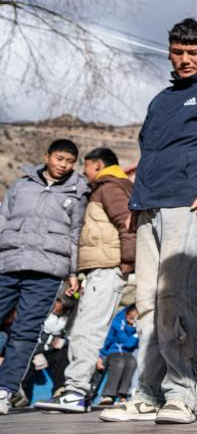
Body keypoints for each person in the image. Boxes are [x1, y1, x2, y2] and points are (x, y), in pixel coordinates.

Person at [99, 18, 197, 425]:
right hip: (150, 208)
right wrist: (137, 204)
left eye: (193, 52)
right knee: (147, 303)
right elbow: (148, 155)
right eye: (178, 52)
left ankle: (182, 394)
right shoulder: (162, 100)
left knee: (174, 299)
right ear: (169, 53)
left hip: (190, 206)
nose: (185, 59)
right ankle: (147, 395)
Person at [36, 147, 136, 413]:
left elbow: (127, 223)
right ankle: (76, 390)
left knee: (87, 331)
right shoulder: (107, 187)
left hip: (108, 267)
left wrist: (127, 260)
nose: (84, 172)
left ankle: (76, 391)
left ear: (98, 165)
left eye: (87, 166)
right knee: (83, 328)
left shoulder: (110, 187)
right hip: (99, 269)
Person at [0, 138, 88, 415]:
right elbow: (3, 218)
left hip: (48, 271)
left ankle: (4, 390)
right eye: (59, 159)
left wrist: (73, 272)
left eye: (70, 161)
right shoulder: (21, 185)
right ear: (47, 157)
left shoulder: (78, 192)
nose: (63, 165)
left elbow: (75, 234)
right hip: (9, 263)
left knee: (25, 332)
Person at [20, 295, 77, 404]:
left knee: (64, 354)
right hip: (36, 350)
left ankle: (59, 390)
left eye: (58, 302)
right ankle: (20, 392)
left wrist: (64, 342)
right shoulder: (43, 314)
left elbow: (73, 337)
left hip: (51, 352)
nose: (55, 304)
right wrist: (38, 352)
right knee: (27, 357)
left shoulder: (68, 319)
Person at [92, 304, 140, 405]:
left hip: (127, 353)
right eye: (130, 318)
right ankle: (108, 395)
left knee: (132, 362)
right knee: (119, 362)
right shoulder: (117, 321)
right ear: (126, 314)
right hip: (112, 352)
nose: (132, 322)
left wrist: (133, 328)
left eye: (134, 320)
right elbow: (109, 339)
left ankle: (122, 394)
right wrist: (101, 356)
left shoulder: (137, 328)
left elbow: (132, 344)